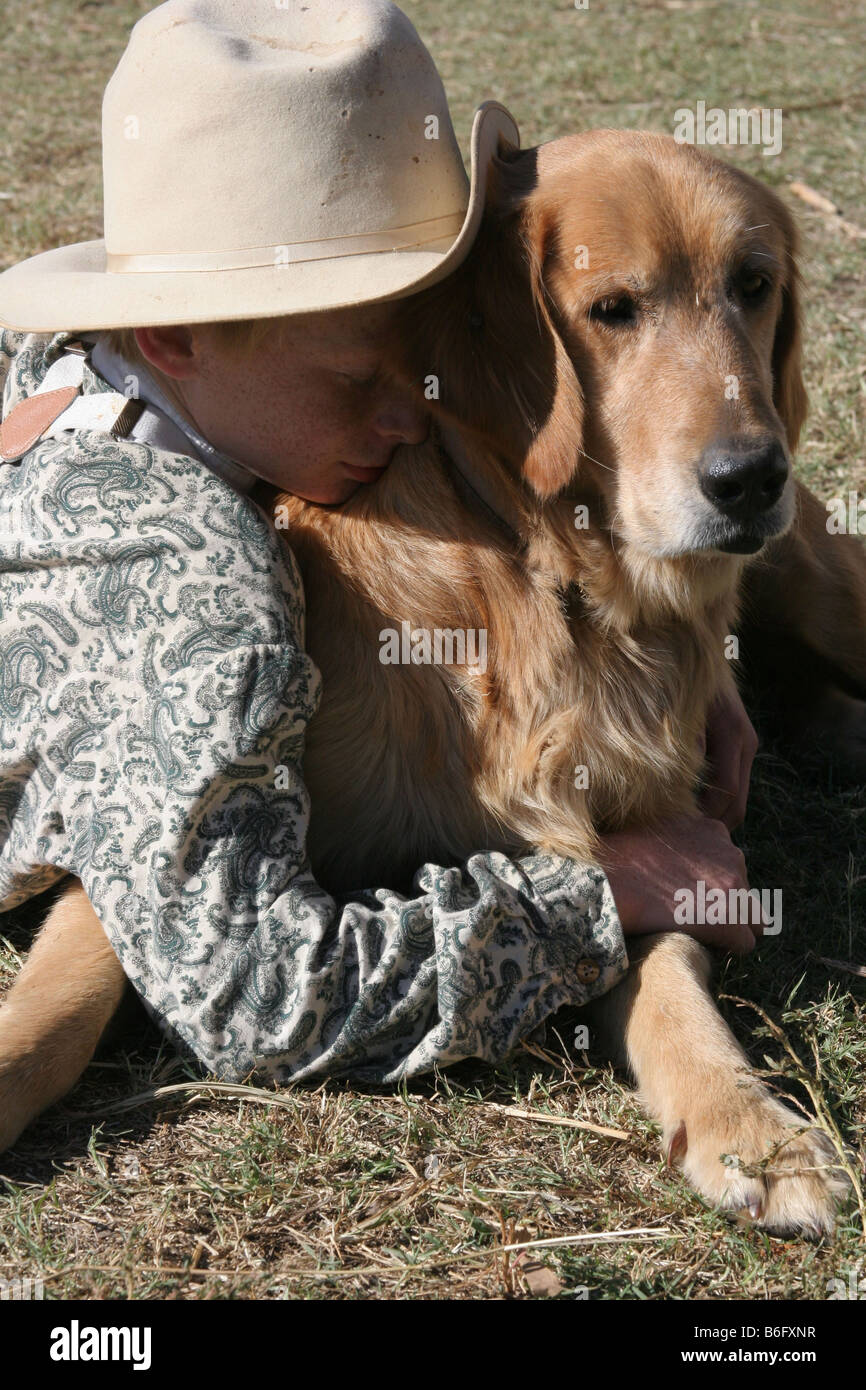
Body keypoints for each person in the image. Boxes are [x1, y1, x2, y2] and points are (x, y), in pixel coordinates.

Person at [0, 0, 757, 1089]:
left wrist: (702, 662)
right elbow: (266, 998)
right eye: (362, 383)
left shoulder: (75, 365)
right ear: (168, 333)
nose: (415, 417)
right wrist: (601, 896)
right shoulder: (200, 587)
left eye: (423, 366)